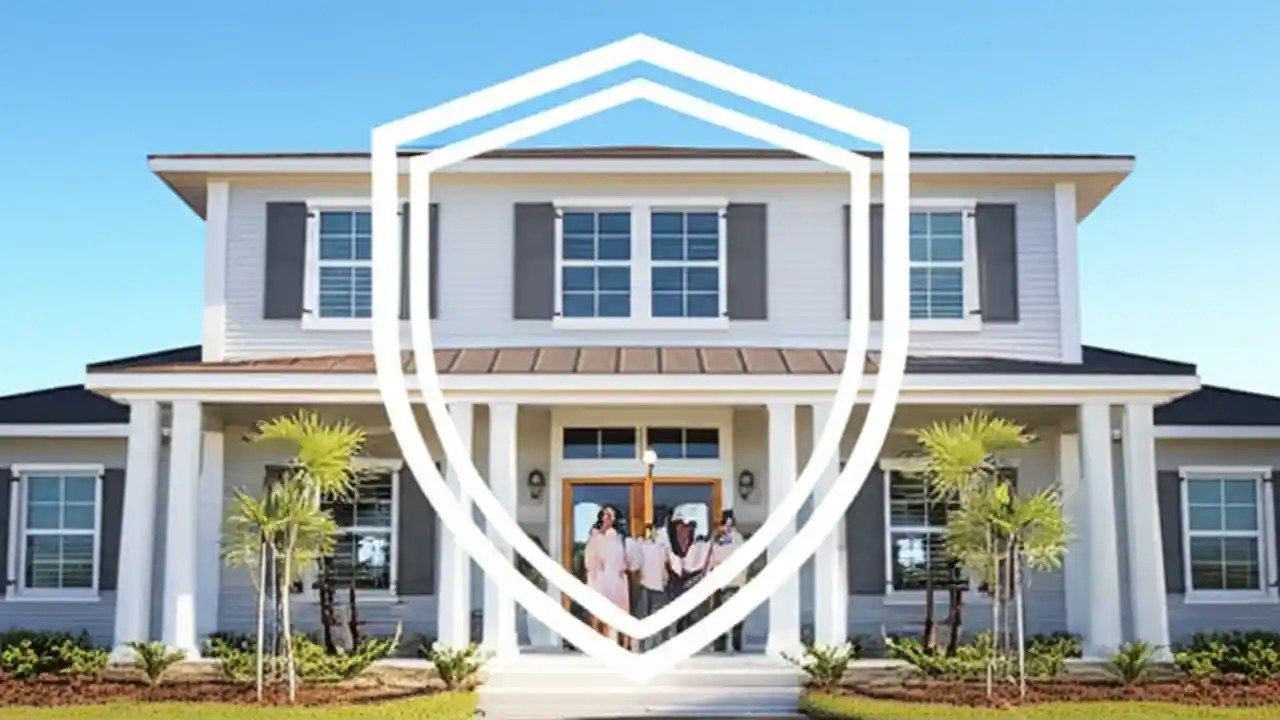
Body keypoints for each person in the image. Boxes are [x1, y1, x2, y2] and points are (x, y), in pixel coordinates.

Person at [584, 505, 630, 642]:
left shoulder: (619, 538)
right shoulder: (594, 536)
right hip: (599, 579)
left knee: (616, 616)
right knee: (598, 614)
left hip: (615, 581)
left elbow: (626, 559)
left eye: (610, 515)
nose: (607, 518)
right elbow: (589, 560)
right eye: (605, 514)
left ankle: (615, 642)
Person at [707, 510, 748, 652]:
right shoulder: (717, 539)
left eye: (729, 523)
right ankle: (720, 643)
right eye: (725, 523)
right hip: (719, 583)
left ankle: (736, 642)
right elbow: (712, 559)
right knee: (719, 614)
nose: (727, 526)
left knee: (734, 614)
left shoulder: (738, 539)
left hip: (733, 582)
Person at [632, 523, 677, 651]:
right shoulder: (643, 546)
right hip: (648, 585)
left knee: (653, 617)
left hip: (656, 586)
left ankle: (653, 646)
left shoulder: (660, 546)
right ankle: (648, 647)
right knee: (649, 617)